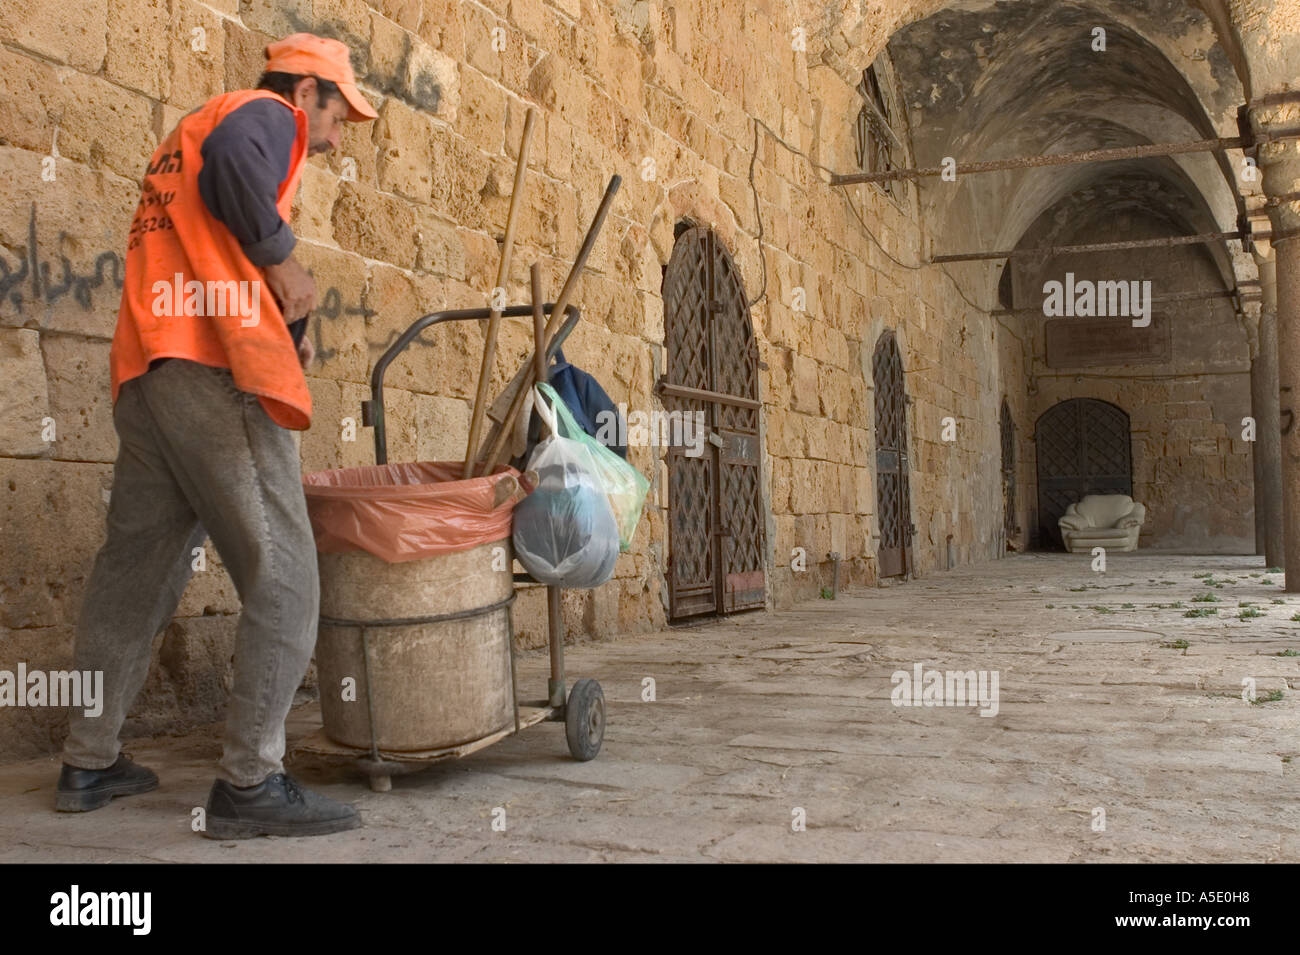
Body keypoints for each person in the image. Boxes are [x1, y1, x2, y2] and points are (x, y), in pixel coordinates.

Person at [55, 33, 378, 840]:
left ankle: (88, 757)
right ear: (308, 93)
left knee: (136, 571)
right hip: (214, 369)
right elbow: (239, 164)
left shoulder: (190, 128)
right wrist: (285, 265)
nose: (337, 138)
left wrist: (277, 305)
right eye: (340, 116)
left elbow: (202, 234)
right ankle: (251, 780)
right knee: (288, 571)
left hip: (150, 369)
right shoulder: (262, 116)